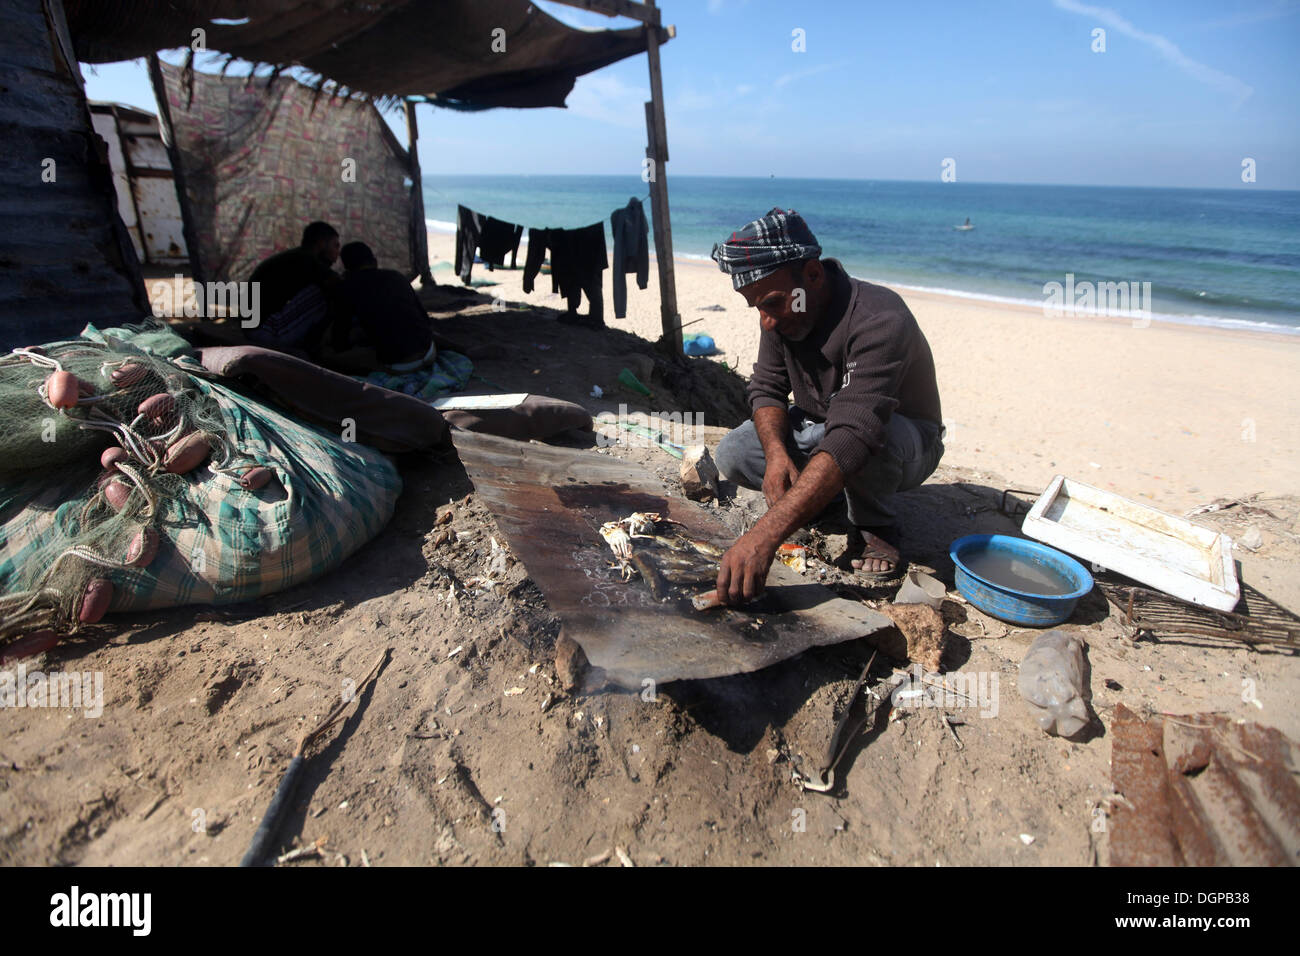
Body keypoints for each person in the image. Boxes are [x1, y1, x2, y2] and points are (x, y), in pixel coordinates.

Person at [709, 208, 945, 605]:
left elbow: (855, 432)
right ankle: (827, 494)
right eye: (757, 308)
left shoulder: (880, 317)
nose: (765, 320)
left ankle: (876, 524)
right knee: (734, 452)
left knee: (868, 437)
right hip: (822, 425)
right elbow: (767, 388)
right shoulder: (783, 311)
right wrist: (776, 454)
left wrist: (766, 535)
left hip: (903, 438)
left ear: (813, 276)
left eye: (770, 304)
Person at [247, 221, 342, 352]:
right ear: (321, 243)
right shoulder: (306, 261)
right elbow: (338, 285)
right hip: (265, 331)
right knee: (328, 293)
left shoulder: (295, 257)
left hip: (256, 327)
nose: (338, 253)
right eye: (335, 246)